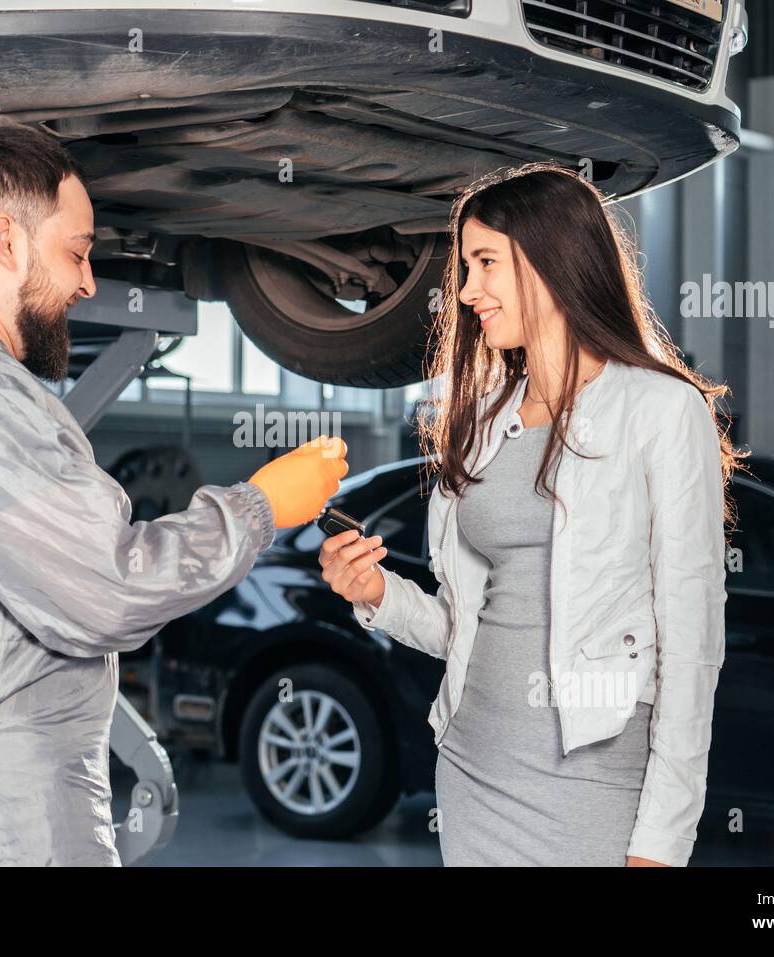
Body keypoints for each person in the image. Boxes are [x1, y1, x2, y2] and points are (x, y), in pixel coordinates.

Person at [0, 124, 347, 865]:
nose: (89, 282)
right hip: (0, 821)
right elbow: (109, 585)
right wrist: (262, 506)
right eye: (77, 251)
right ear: (7, 242)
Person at [319, 164, 745, 867]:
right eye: (465, 266)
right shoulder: (484, 423)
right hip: (474, 767)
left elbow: (693, 646)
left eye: (485, 262)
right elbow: (466, 630)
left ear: (555, 259)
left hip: (594, 778)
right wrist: (377, 594)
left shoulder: (661, 410)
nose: (465, 290)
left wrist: (662, 841)